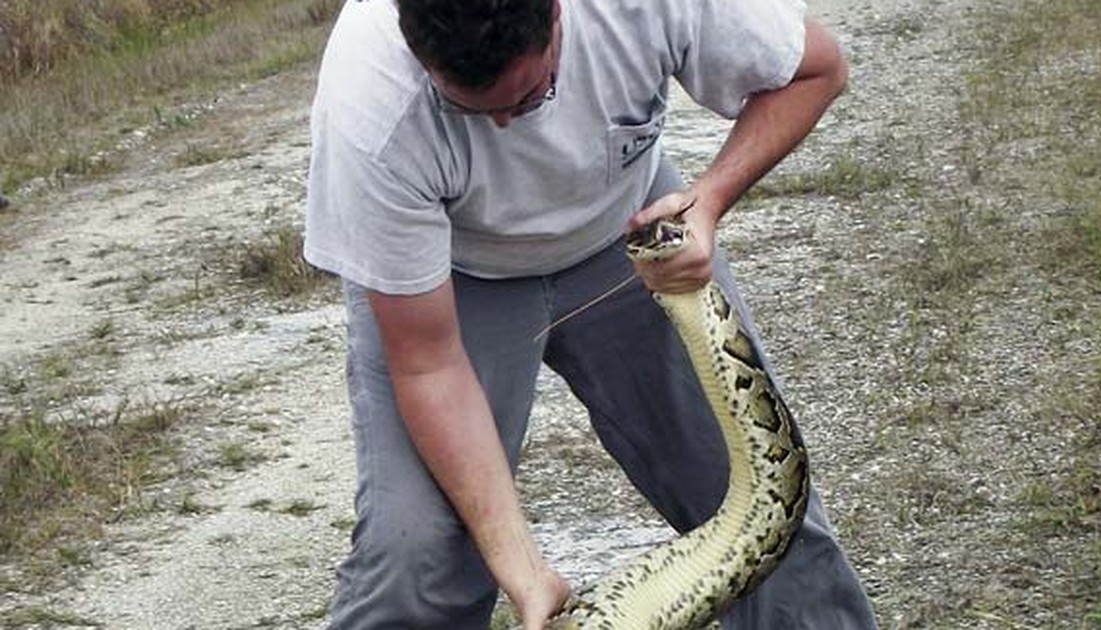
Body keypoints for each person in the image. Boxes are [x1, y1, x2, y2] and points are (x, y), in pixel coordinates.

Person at [304, 0, 877, 628]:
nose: (501, 127)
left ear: (556, 16)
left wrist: (707, 202)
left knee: (770, 518)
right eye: (469, 108)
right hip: (454, 274)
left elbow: (815, 71)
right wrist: (522, 567)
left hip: (627, 233)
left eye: (524, 99)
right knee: (413, 559)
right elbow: (427, 365)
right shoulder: (372, 103)